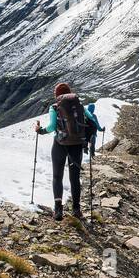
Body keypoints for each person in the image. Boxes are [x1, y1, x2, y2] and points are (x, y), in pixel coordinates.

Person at [35, 82, 93, 221]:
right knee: (74, 178)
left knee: (57, 176)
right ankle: (76, 210)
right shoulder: (78, 105)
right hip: (77, 144)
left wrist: (40, 131)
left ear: (57, 95)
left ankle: (58, 210)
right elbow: (91, 119)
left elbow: (52, 126)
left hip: (60, 144)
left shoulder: (55, 107)